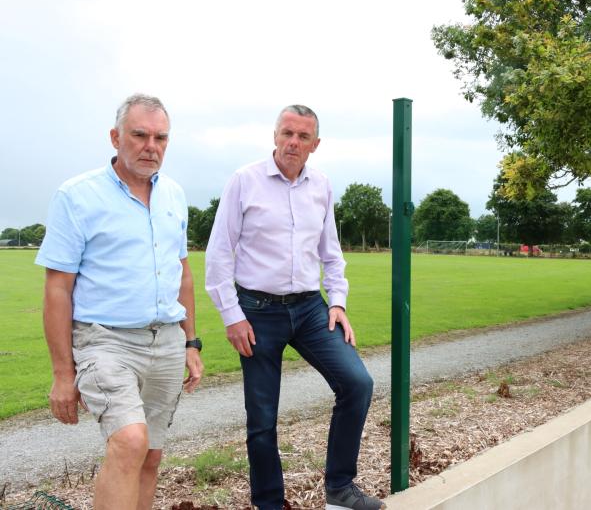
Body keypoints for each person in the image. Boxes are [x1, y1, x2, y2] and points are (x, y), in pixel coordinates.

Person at [205, 105, 384, 510]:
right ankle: (269, 504)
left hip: (308, 309)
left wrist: (337, 302)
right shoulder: (244, 181)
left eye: (303, 137)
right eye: (287, 133)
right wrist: (232, 315)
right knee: (262, 419)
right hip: (257, 311)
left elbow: (332, 253)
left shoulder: (321, 186)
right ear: (274, 135)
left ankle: (339, 489)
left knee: (357, 383)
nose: (293, 142)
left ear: (315, 145)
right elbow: (219, 254)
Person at [35, 93, 204, 510]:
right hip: (105, 340)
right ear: (115, 137)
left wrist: (190, 342)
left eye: (161, 137)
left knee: (150, 456)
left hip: (165, 341)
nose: (152, 146)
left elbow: (181, 272)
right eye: (140, 135)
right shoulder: (77, 196)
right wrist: (62, 374)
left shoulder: (174, 195)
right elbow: (57, 288)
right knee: (130, 441)